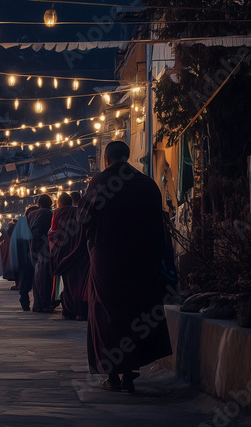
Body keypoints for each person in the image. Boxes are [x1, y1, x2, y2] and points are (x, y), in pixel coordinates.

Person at [81, 141, 173, 393]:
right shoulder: (147, 184)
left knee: (108, 315)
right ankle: (131, 374)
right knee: (137, 313)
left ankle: (112, 376)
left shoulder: (99, 183)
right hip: (141, 263)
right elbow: (160, 227)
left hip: (108, 263)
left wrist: (96, 244)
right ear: (127, 157)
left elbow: (85, 221)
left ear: (106, 159)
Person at [49, 192, 87, 320]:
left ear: (59, 203)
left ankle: (68, 310)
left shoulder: (57, 213)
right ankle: (79, 310)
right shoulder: (77, 212)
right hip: (78, 252)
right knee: (78, 282)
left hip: (63, 252)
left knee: (66, 282)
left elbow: (54, 232)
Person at [27, 194, 55, 312]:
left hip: (32, 247)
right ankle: (44, 304)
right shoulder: (49, 214)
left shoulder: (31, 214)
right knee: (45, 276)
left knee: (37, 276)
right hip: (45, 247)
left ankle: (38, 304)